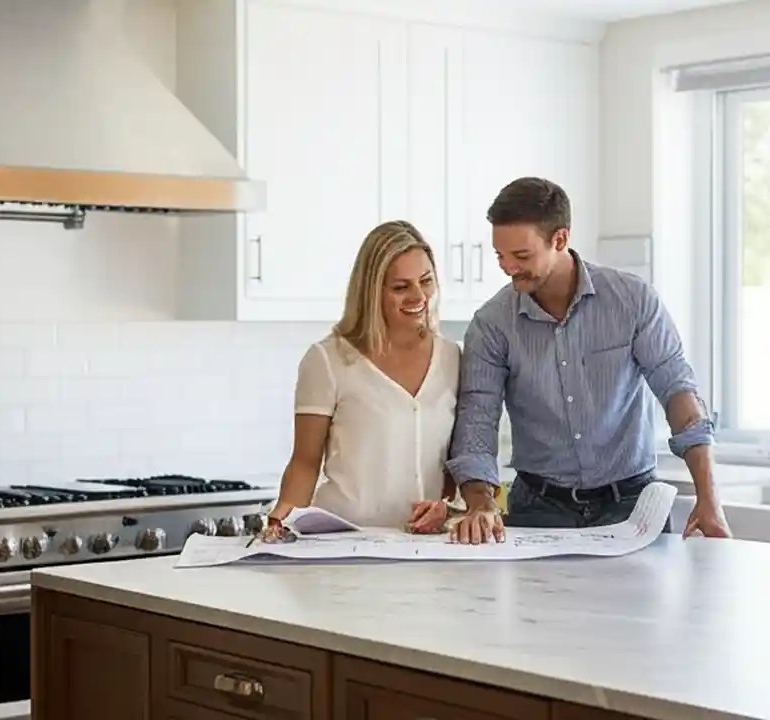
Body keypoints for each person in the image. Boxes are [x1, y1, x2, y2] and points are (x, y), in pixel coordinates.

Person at [444, 177, 731, 544]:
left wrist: (709, 498)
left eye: (521, 256)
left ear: (560, 239)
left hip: (631, 505)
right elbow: (477, 423)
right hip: (539, 511)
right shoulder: (492, 324)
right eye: (500, 255)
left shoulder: (632, 301)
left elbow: (678, 392)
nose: (508, 267)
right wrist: (481, 503)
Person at [263, 220, 461, 539]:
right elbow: (305, 462)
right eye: (400, 287)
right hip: (343, 543)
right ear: (372, 290)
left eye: (425, 281)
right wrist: (278, 524)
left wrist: (448, 508)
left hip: (425, 548)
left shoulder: (453, 359)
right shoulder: (328, 360)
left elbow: (458, 464)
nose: (418, 296)